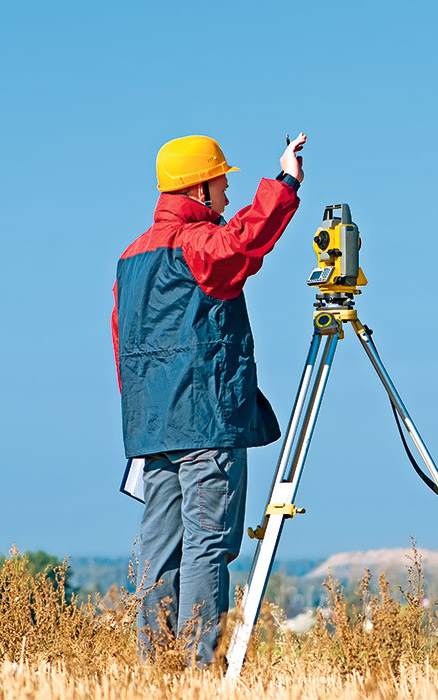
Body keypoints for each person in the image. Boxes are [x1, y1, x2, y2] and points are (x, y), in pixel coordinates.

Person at [111, 133, 307, 665]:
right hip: (204, 421)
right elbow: (240, 243)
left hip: (152, 428)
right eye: (222, 181)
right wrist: (285, 183)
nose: (226, 191)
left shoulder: (132, 257)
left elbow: (121, 344)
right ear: (200, 187)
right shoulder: (193, 244)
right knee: (207, 544)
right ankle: (200, 669)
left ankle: (158, 669)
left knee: (160, 550)